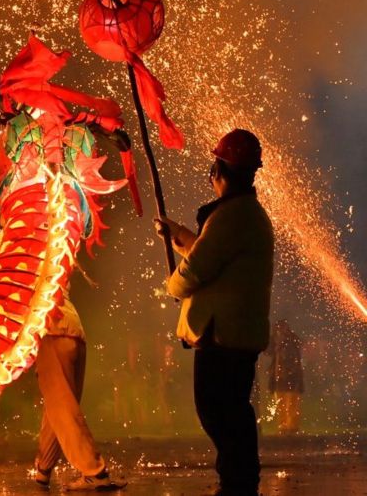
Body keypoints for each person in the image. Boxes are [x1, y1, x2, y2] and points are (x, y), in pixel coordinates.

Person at [155, 129, 274, 496]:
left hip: (221, 335)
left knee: (218, 412)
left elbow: (195, 270)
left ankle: (237, 484)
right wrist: (182, 237)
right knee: (232, 411)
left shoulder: (231, 215)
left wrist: (173, 286)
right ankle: (238, 481)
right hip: (235, 332)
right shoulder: (245, 214)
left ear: (219, 171)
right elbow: (214, 253)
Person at [33, 290, 126, 491]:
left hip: (51, 330)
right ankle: (44, 469)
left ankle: (95, 472)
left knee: (62, 408)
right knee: (59, 406)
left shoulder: (20, 263)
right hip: (71, 329)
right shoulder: (48, 260)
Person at [266, 319, 303, 435]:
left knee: (292, 402)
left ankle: (292, 427)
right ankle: (283, 426)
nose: (281, 331)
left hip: (292, 377)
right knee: (281, 403)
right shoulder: (275, 341)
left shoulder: (292, 339)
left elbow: (297, 348)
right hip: (279, 377)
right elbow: (268, 351)